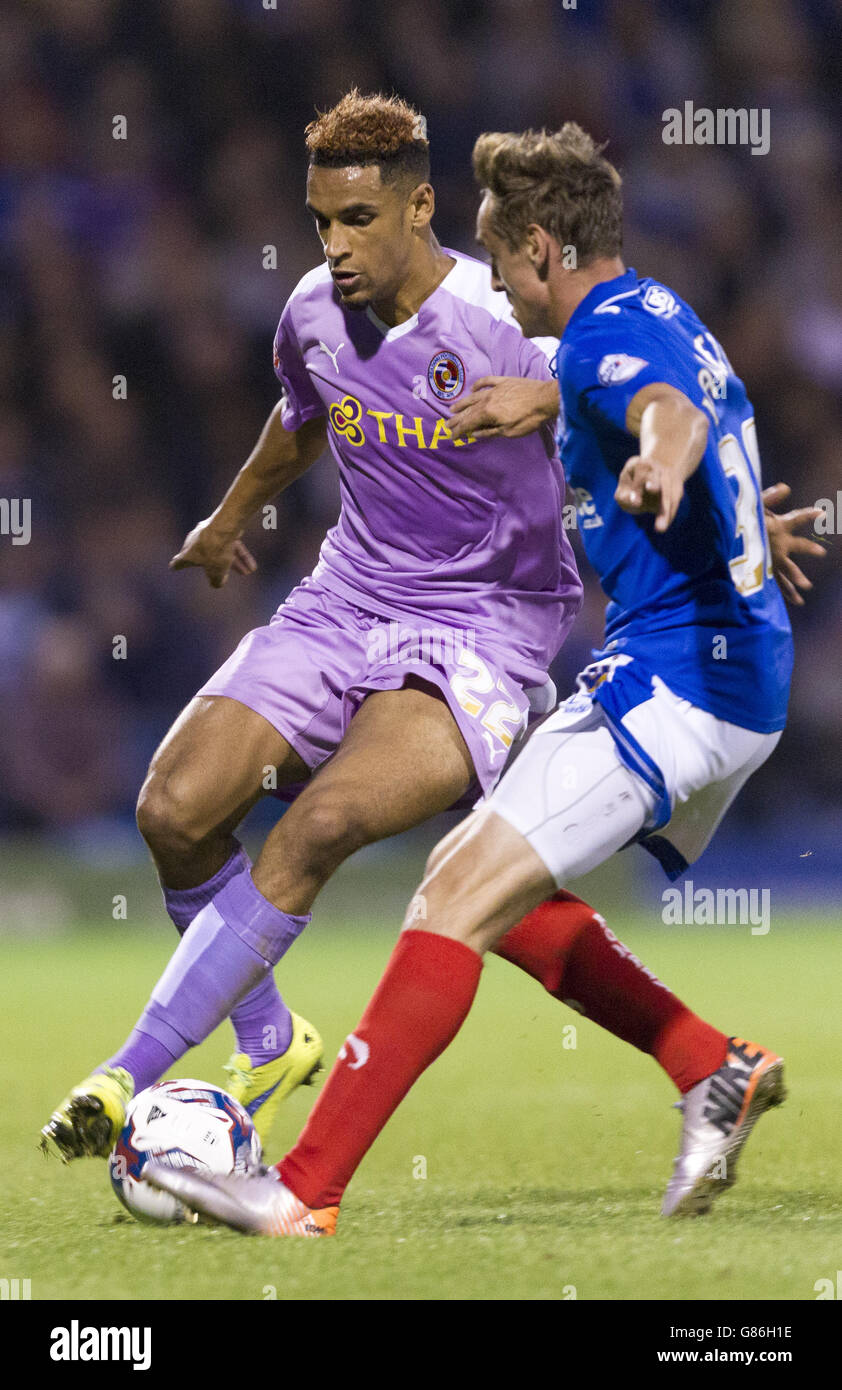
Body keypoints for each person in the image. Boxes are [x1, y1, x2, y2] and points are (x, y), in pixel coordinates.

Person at [142, 123, 822, 1235]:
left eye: (502, 264)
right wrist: (714, 499)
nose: (495, 292)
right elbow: (655, 387)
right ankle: (709, 1063)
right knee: (497, 895)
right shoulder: (646, 307)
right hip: (722, 669)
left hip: (676, 685)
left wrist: (662, 459)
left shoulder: (602, 349)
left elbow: (668, 410)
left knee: (450, 898)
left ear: (544, 251)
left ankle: (300, 1192)